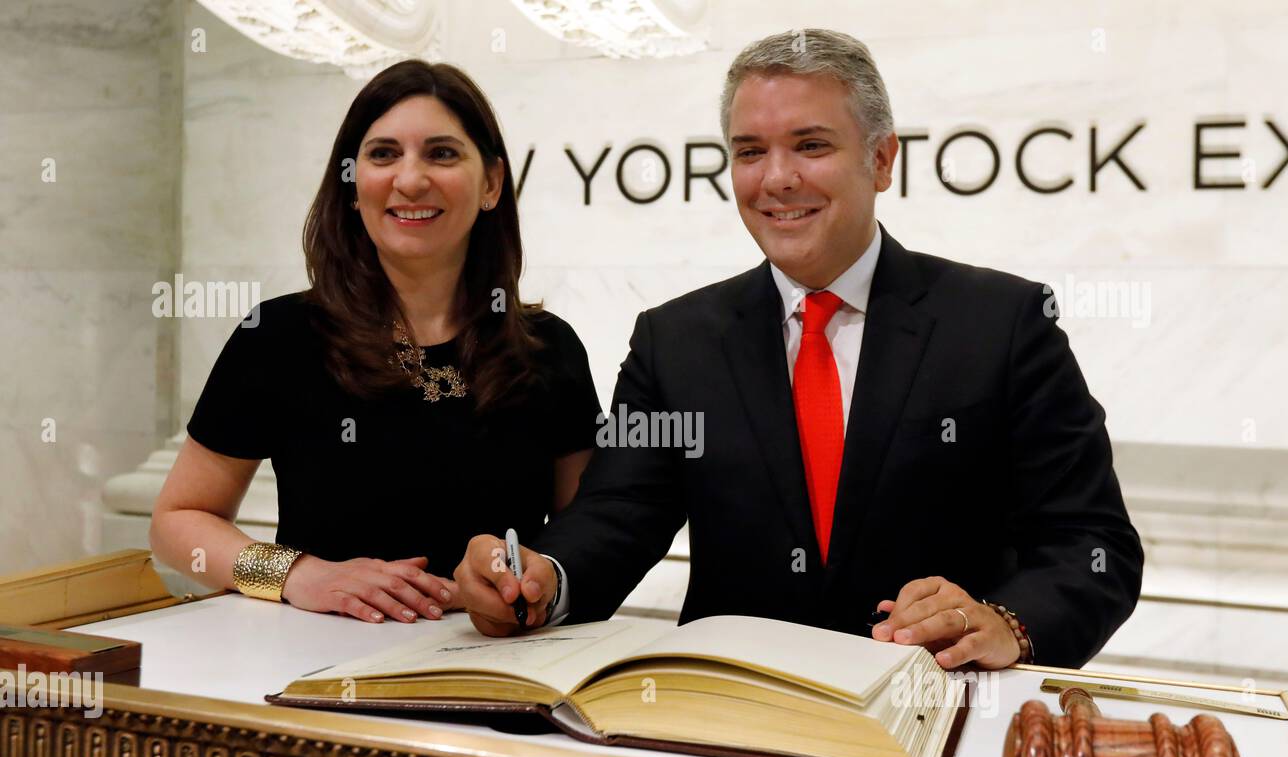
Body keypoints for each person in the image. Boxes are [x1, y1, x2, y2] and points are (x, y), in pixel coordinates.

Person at [454, 29, 1142, 670]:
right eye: (750, 151)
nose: (776, 178)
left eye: (810, 145)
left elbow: (1091, 544)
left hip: (940, 723)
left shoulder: (1003, 323)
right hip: (736, 729)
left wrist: (1008, 624)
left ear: (881, 160)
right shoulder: (675, 341)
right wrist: (543, 580)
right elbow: (616, 515)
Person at [150, 61, 599, 624]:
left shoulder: (548, 348)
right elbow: (176, 522)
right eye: (383, 154)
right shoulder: (279, 337)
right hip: (311, 669)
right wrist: (297, 575)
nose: (410, 180)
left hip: (498, 664)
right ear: (352, 184)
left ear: (491, 184)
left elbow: (587, 530)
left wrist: (529, 588)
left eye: (441, 153)